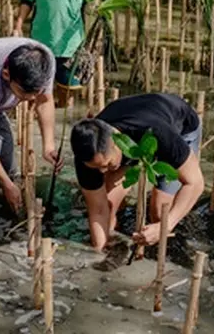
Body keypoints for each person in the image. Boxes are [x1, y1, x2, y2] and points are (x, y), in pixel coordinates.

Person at [69, 93, 205, 252]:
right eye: (97, 168)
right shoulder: (86, 156)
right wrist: (99, 253)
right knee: (109, 204)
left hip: (179, 126)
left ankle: (164, 255)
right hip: (132, 129)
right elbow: (98, 210)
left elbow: (195, 183)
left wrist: (165, 226)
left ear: (116, 142)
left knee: (159, 210)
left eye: (107, 165)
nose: (102, 172)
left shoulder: (158, 133)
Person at [0, 37, 57, 213]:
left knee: (7, 158)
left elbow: (45, 101)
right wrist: (6, 184)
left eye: (35, 92)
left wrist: (48, 146)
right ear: (6, 74)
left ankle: (8, 197)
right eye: (24, 93)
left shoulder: (45, 61)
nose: (31, 99)